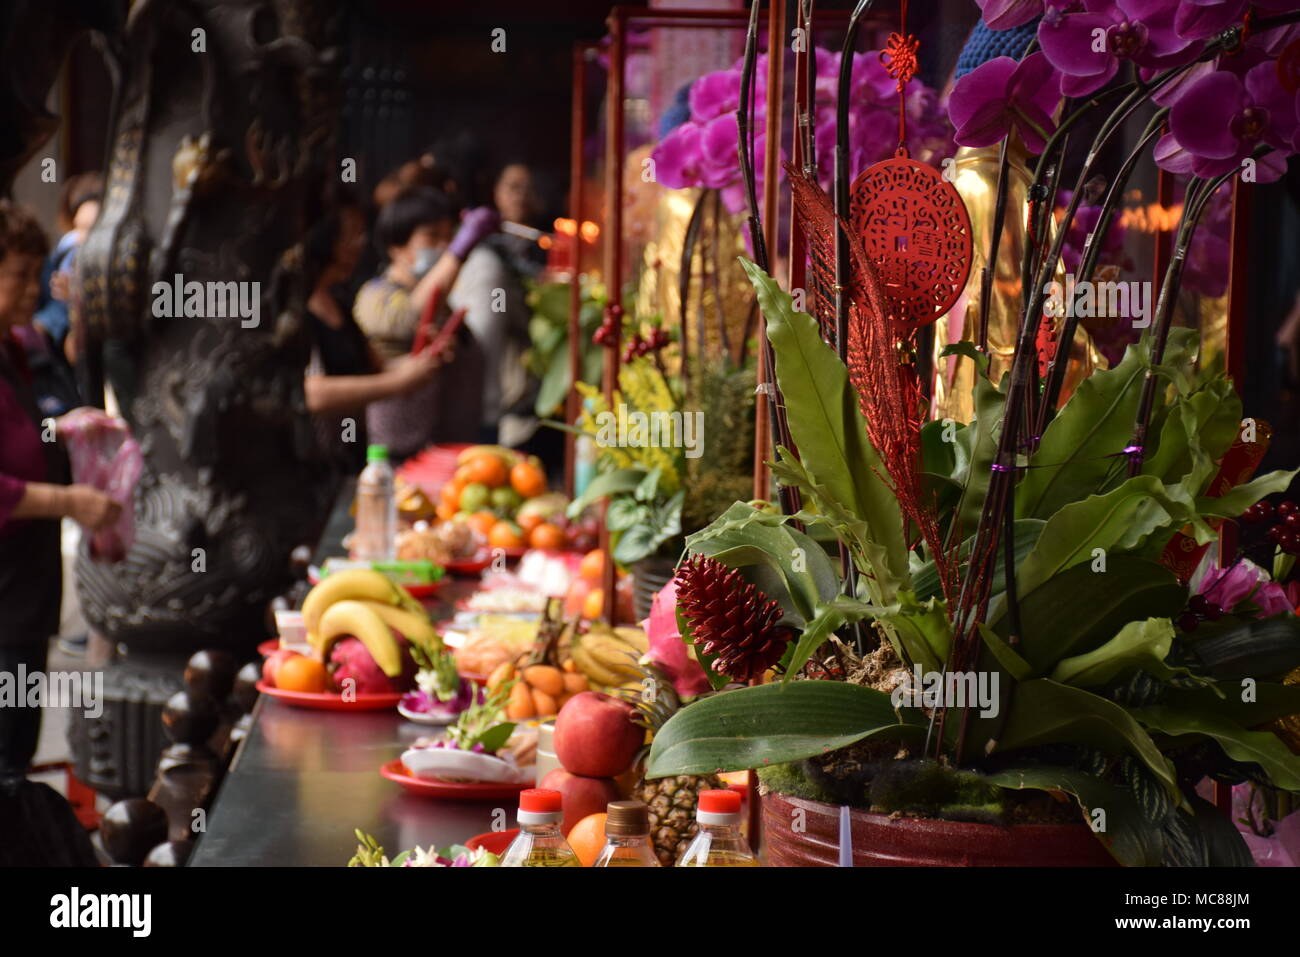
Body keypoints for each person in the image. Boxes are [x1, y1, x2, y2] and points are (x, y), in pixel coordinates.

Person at [0, 200, 120, 786]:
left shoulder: (17, 351)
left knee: (17, 747)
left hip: (26, 592)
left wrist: (66, 424)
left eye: (34, 270)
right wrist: (71, 503)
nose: (34, 287)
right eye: (18, 274)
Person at [300, 189, 448, 475]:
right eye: (350, 235)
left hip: (349, 465)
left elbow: (377, 366)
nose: (360, 244)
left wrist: (423, 360)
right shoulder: (298, 310)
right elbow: (313, 393)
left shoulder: (339, 303)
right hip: (312, 471)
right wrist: (399, 383)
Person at [353, 185, 496, 460]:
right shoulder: (375, 295)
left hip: (444, 453)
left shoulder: (445, 304)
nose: (443, 246)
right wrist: (458, 251)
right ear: (396, 246)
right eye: (432, 236)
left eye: (449, 236)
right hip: (394, 455)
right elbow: (411, 317)